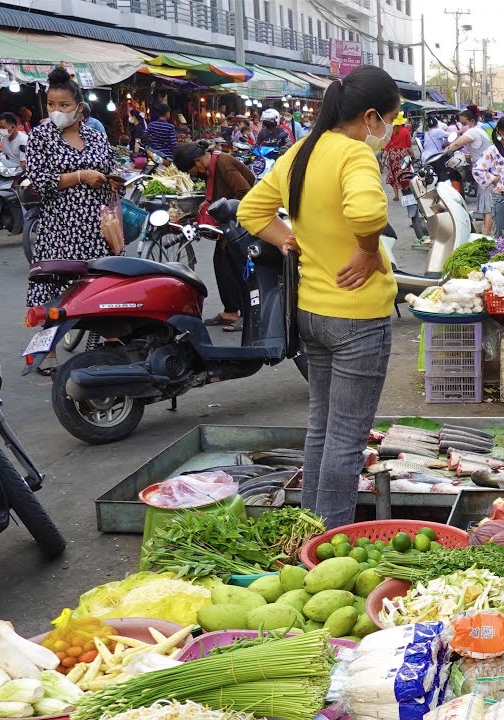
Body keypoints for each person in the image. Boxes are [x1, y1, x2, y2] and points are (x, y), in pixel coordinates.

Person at [236, 65, 399, 529]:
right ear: (370, 117)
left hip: (312, 312)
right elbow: (366, 211)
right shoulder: (354, 154)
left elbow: (252, 211)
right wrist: (368, 251)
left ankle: (308, 526)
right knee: (347, 437)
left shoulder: (299, 151)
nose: (389, 130)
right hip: (358, 316)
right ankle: (328, 540)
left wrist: (289, 239)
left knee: (323, 428)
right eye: (390, 119)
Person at [24, 67, 116, 375]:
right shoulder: (40, 137)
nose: (56, 111)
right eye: (51, 104)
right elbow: (39, 181)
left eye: (63, 105)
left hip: (95, 227)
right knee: (54, 292)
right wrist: (80, 176)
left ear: (78, 107)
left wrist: (109, 179)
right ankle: (46, 353)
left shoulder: (94, 136)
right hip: (59, 228)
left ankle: (111, 343)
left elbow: (110, 166)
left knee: (100, 286)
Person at [174, 141, 257, 333]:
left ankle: (248, 316)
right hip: (226, 225)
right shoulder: (211, 166)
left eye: (192, 170)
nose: (194, 174)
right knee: (221, 265)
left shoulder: (223, 163)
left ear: (197, 161)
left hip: (238, 223)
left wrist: (225, 208)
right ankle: (230, 311)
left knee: (238, 269)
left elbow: (245, 191)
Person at [444, 105, 495, 232]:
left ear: (472, 121)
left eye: (464, 123)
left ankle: (486, 233)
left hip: (486, 171)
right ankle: (486, 230)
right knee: (485, 201)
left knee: (487, 202)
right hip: (485, 170)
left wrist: (446, 151)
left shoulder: (473, 131)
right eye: (460, 124)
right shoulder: (479, 130)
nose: (462, 127)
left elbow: (456, 144)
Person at [382, 113, 412, 202]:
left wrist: (383, 157)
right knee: (404, 173)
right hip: (403, 155)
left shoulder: (390, 132)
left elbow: (387, 146)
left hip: (392, 155)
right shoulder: (406, 131)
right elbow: (409, 146)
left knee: (393, 174)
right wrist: (413, 156)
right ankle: (406, 191)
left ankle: (396, 195)